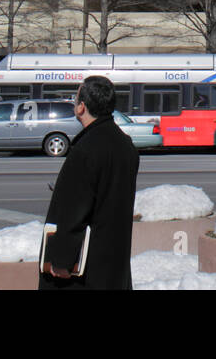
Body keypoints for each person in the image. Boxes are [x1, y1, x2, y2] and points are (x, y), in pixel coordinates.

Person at [39, 76, 140, 290]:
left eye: (75, 100)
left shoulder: (86, 149)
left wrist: (61, 260)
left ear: (82, 107)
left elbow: (73, 211)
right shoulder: (125, 145)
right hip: (114, 263)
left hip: (85, 268)